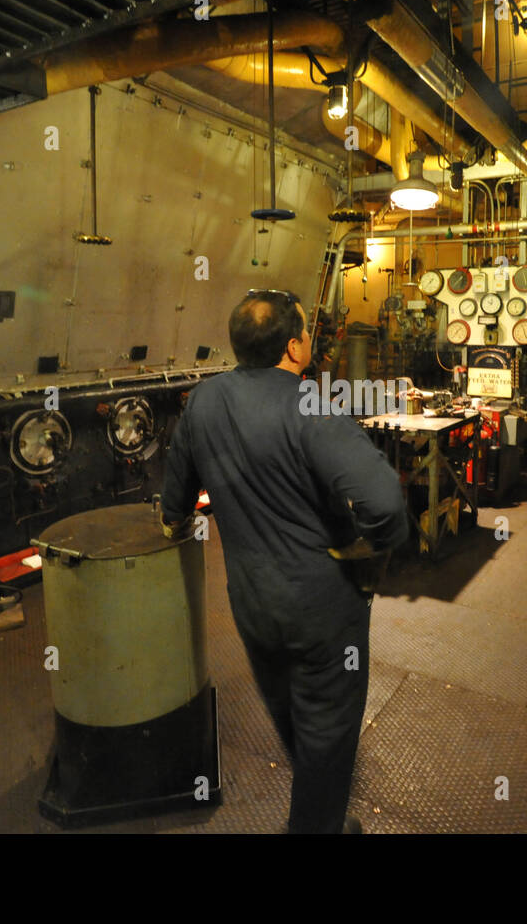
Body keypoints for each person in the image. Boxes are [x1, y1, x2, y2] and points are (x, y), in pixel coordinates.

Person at [160, 288, 409, 833]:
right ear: (295, 346)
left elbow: (175, 496)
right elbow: (385, 503)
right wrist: (369, 549)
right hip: (321, 608)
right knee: (328, 728)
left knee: (288, 709)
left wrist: (173, 521)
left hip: (250, 604)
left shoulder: (203, 401)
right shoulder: (311, 405)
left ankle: (317, 800)